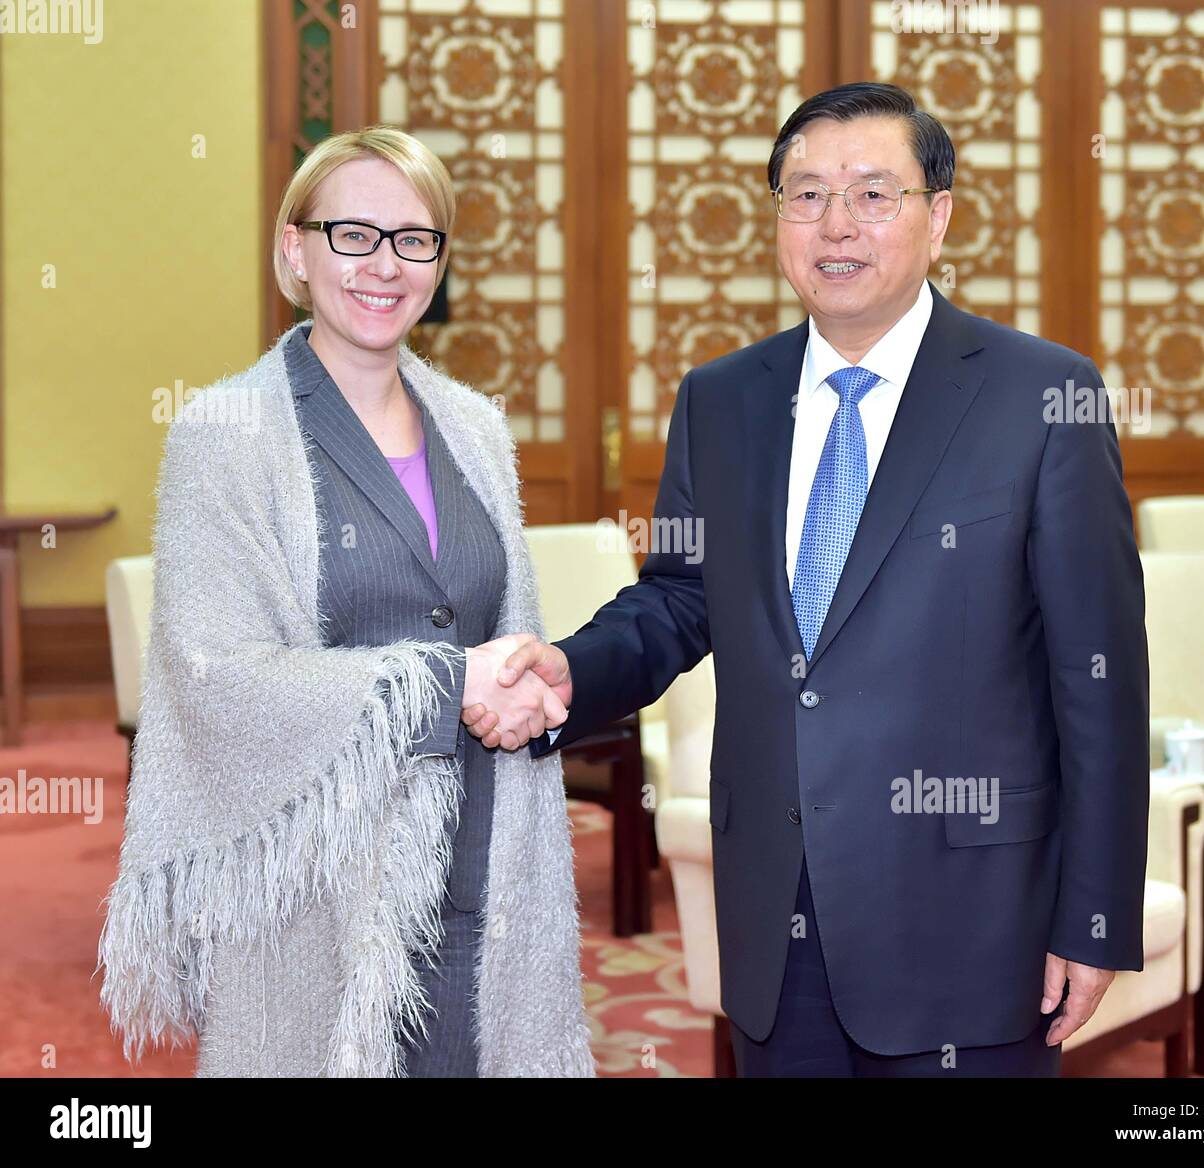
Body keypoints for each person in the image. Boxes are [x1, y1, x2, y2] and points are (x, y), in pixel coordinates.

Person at [465, 83, 1150, 1077]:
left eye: (875, 193)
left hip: (973, 925)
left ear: (938, 214)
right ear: (777, 216)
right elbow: (680, 597)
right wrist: (573, 670)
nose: (837, 225)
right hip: (774, 915)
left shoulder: (1043, 396)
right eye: (805, 195)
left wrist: (1092, 913)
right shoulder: (720, 399)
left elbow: (1100, 677)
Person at [97, 126, 593, 1078]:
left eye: (415, 239)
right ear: (295, 248)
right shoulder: (224, 435)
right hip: (323, 871)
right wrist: (448, 681)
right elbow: (216, 678)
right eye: (352, 234)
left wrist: (524, 681)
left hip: (488, 840)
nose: (385, 265)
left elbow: (504, 623)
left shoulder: (477, 428)